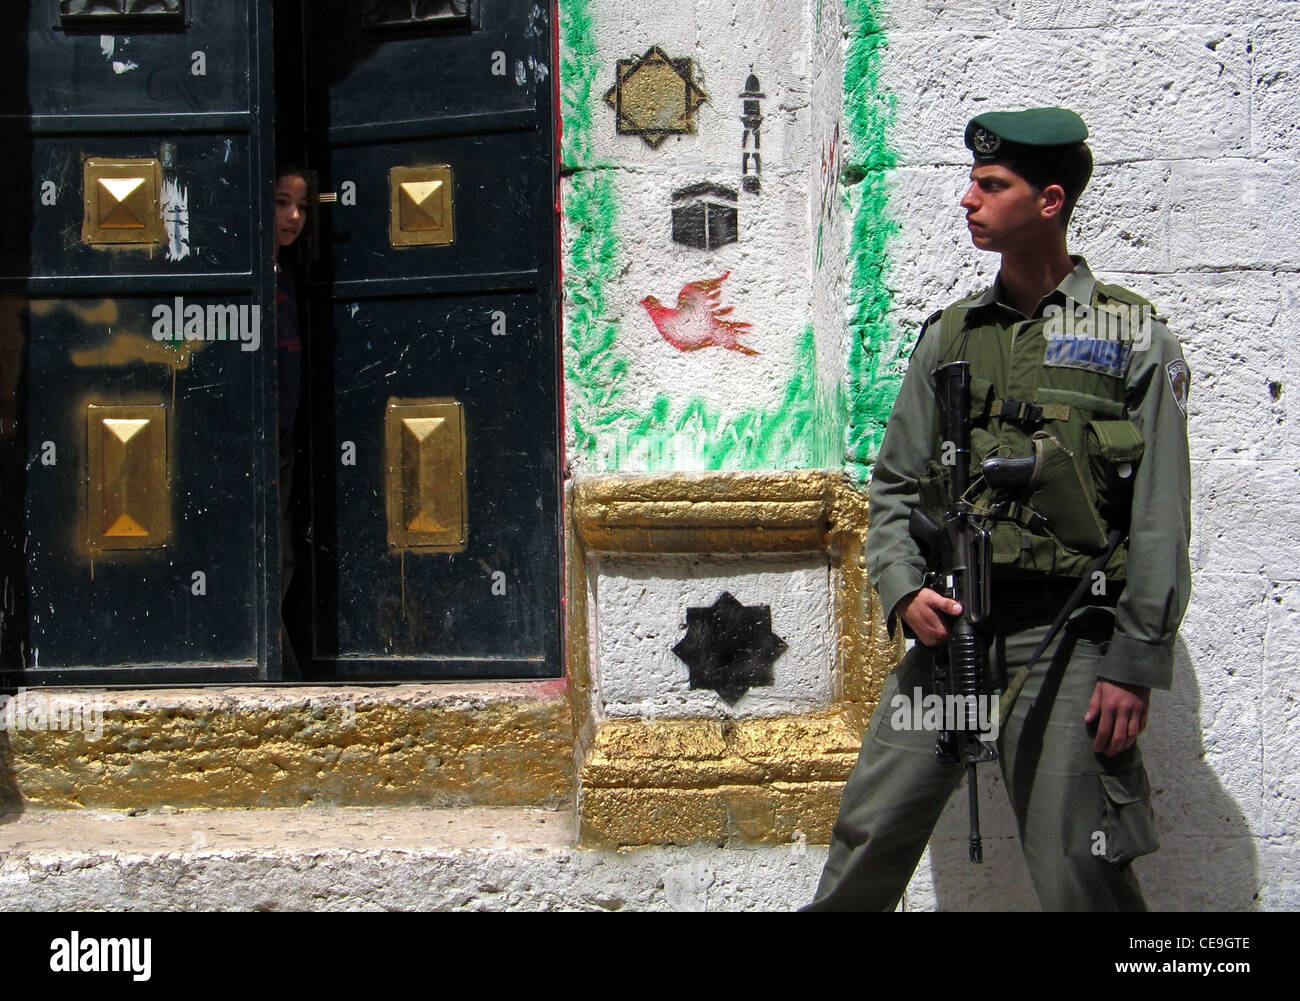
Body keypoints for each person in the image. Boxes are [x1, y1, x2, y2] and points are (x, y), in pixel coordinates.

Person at [807, 108, 1191, 911]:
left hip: (1071, 640)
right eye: (973, 183)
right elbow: (896, 485)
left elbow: (1159, 514)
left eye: (991, 185)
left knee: (1080, 862)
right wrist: (904, 590)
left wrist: (1135, 658)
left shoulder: (1129, 333)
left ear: (1049, 201)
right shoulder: (951, 335)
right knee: (871, 831)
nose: (967, 200)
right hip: (956, 636)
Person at [274, 163, 311, 677]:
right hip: (255, 433)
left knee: (282, 553)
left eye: (301, 205)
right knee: (271, 552)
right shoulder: (249, 270)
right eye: (282, 201)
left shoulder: (284, 273)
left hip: (281, 433)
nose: (294, 215)